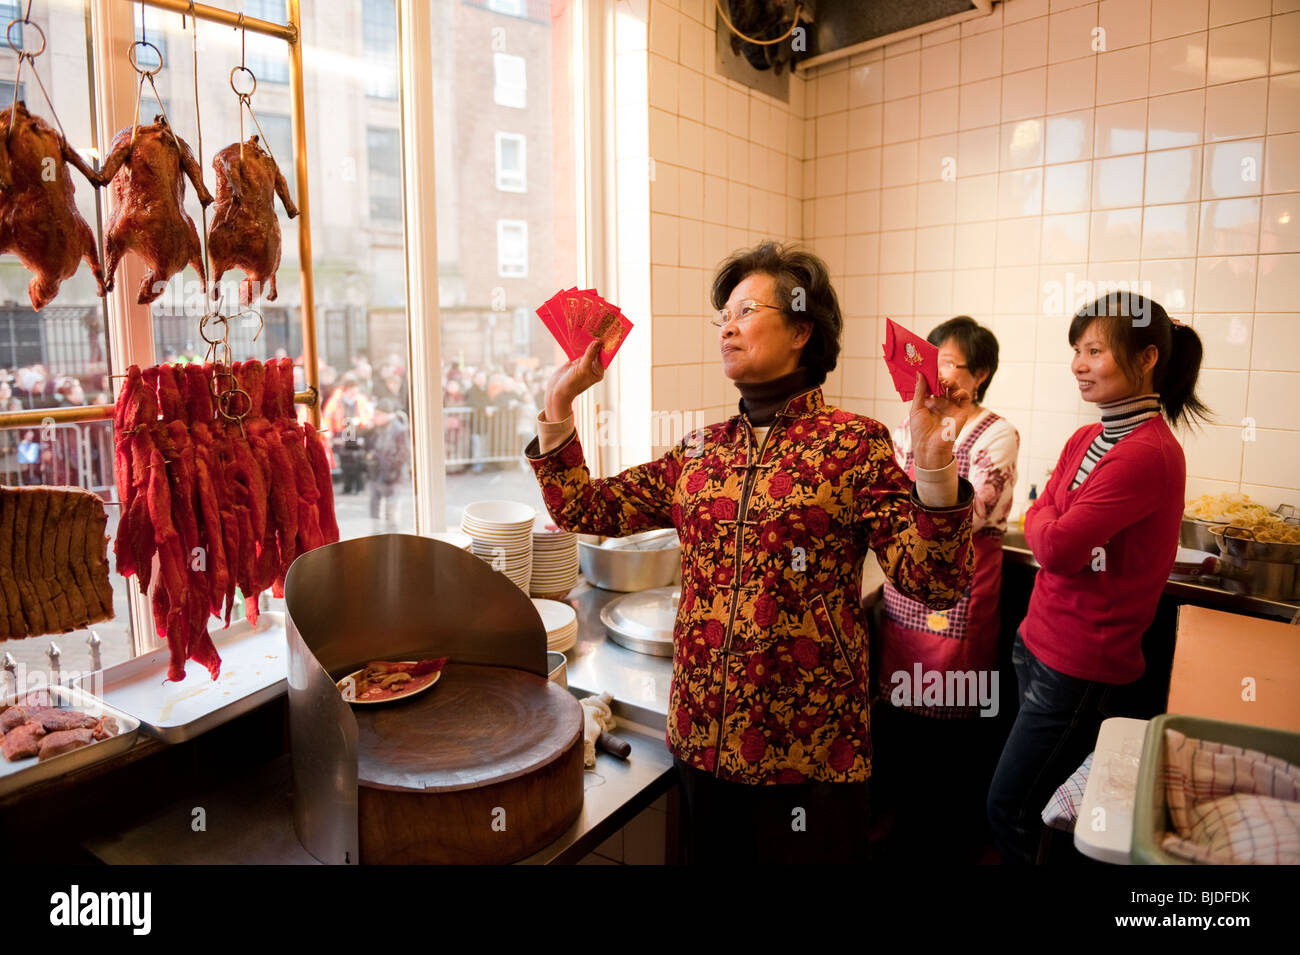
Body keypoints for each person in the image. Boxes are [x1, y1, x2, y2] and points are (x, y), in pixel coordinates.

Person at [527, 241, 978, 863]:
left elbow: (936, 583)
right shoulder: (699, 452)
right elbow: (584, 510)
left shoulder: (853, 444)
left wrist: (934, 468)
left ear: (800, 329)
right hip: (702, 741)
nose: (727, 328)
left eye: (744, 311)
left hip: (811, 749)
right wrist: (559, 402)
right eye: (723, 318)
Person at [986, 292, 1209, 864]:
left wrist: (1049, 519)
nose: (1078, 364)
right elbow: (1041, 516)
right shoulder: (1089, 438)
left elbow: (1056, 546)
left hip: (1080, 665)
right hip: (1036, 642)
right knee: (1045, 804)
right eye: (1076, 351)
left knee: (1012, 807)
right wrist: (1049, 519)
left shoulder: (1147, 453)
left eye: (1094, 350)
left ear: (1148, 356)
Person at [870, 315, 1019, 864]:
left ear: (978, 374)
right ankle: (899, 830)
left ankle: (945, 838)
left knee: (952, 727)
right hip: (906, 588)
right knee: (902, 718)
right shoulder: (912, 422)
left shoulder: (996, 432)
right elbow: (889, 499)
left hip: (961, 592)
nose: (938, 371)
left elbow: (974, 510)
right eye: (932, 359)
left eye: (950, 362)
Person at [323, 375, 373, 494]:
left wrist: (361, 422)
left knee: (357, 458)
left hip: (356, 431)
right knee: (345, 460)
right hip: (341, 432)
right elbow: (328, 416)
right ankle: (348, 485)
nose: (354, 392)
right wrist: (329, 433)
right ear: (346, 389)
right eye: (351, 390)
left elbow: (367, 415)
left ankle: (358, 486)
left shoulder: (360, 399)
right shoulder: (336, 400)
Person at [367, 398, 408, 525]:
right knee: (374, 510)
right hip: (378, 473)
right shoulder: (376, 429)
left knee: (391, 513)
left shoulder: (399, 430)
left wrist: (389, 464)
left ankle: (392, 540)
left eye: (377, 414)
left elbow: (403, 454)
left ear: (387, 414)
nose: (374, 417)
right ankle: (377, 537)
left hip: (393, 476)